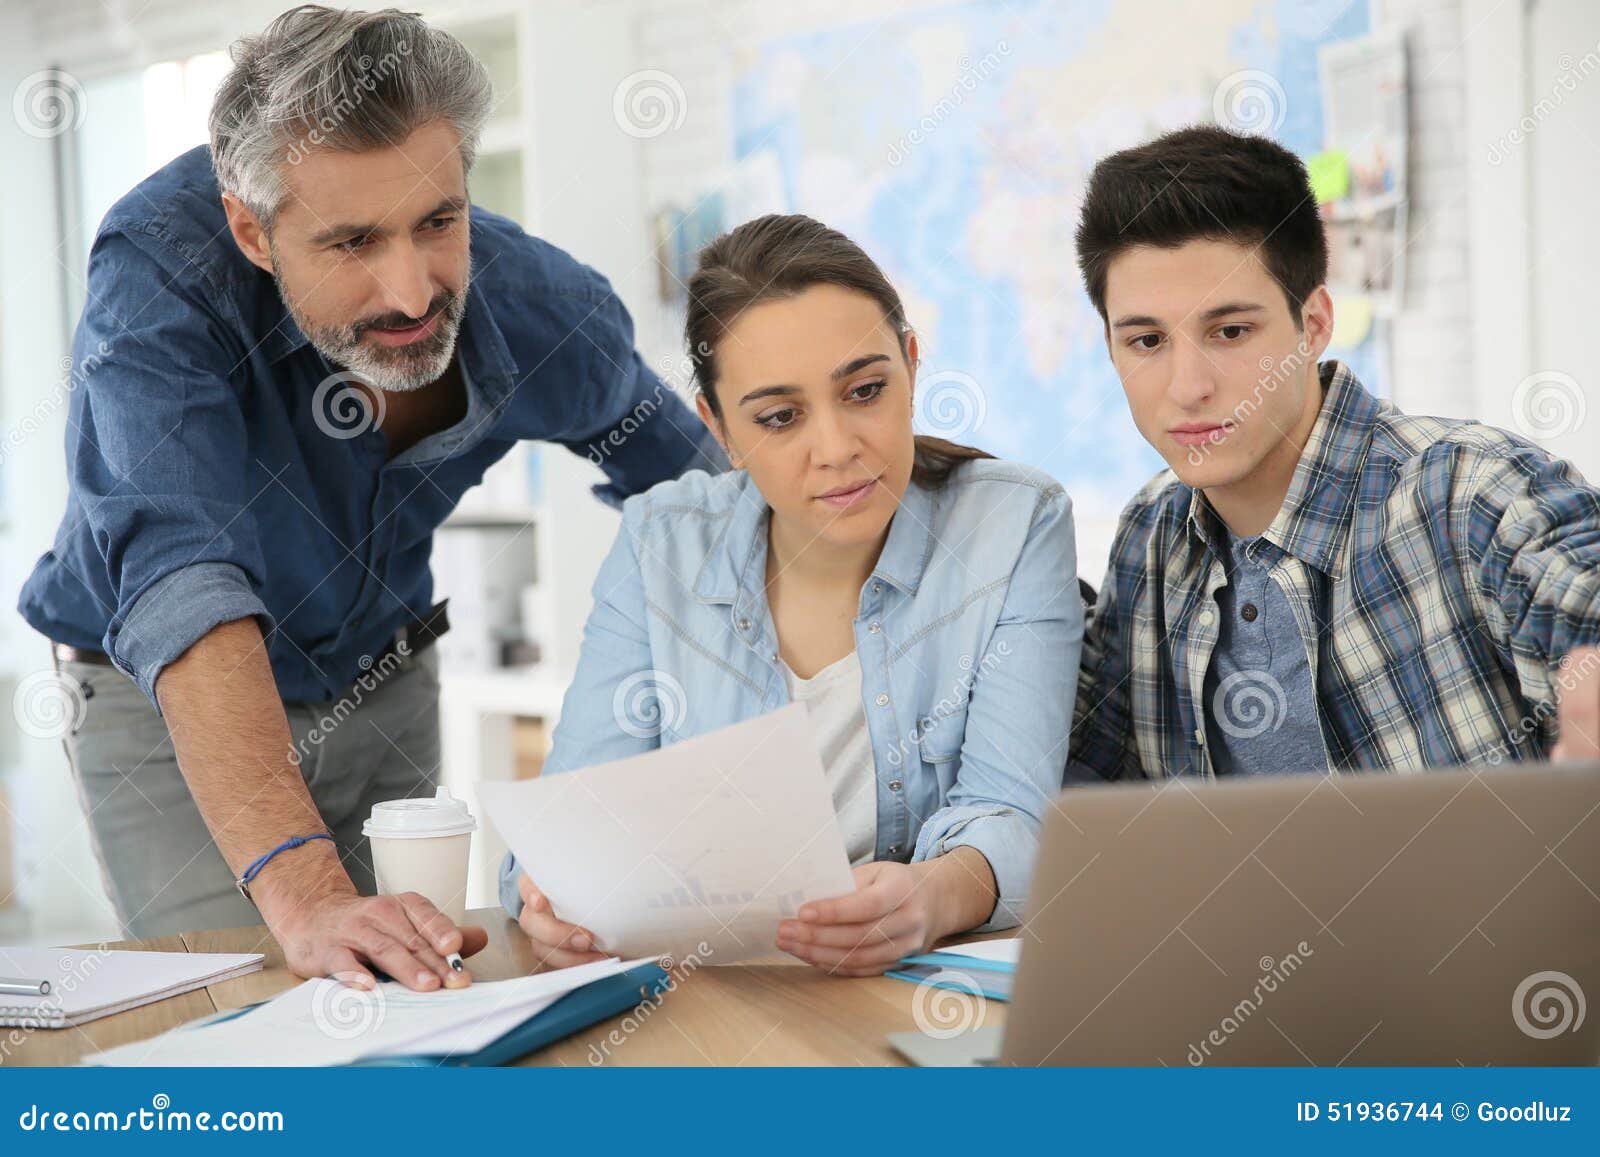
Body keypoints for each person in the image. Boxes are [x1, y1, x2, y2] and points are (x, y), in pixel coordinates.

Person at [17, 6, 720, 990]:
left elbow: (704, 503)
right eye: (352, 241)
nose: (411, 292)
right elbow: (177, 564)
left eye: (438, 219)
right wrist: (303, 888)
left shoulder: (540, 310)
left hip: (382, 674)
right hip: (172, 705)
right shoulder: (162, 273)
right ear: (251, 228)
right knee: (248, 1007)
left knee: (413, 992)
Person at [501, 214, 1084, 974]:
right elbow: (566, 826)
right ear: (723, 432)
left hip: (901, 1002)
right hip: (707, 1004)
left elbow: (1015, 817)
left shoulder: (1014, 525)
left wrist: (933, 894)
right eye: (780, 418)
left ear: (912, 366)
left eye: (867, 390)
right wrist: (548, 899)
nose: (838, 448)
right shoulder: (659, 546)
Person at [1066, 125, 1600, 783]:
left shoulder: (1475, 493)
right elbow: (1085, 785)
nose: (1188, 387)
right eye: (1147, 342)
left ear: (1314, 323)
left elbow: (1580, 601)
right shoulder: (1149, 537)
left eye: (1230, 331)